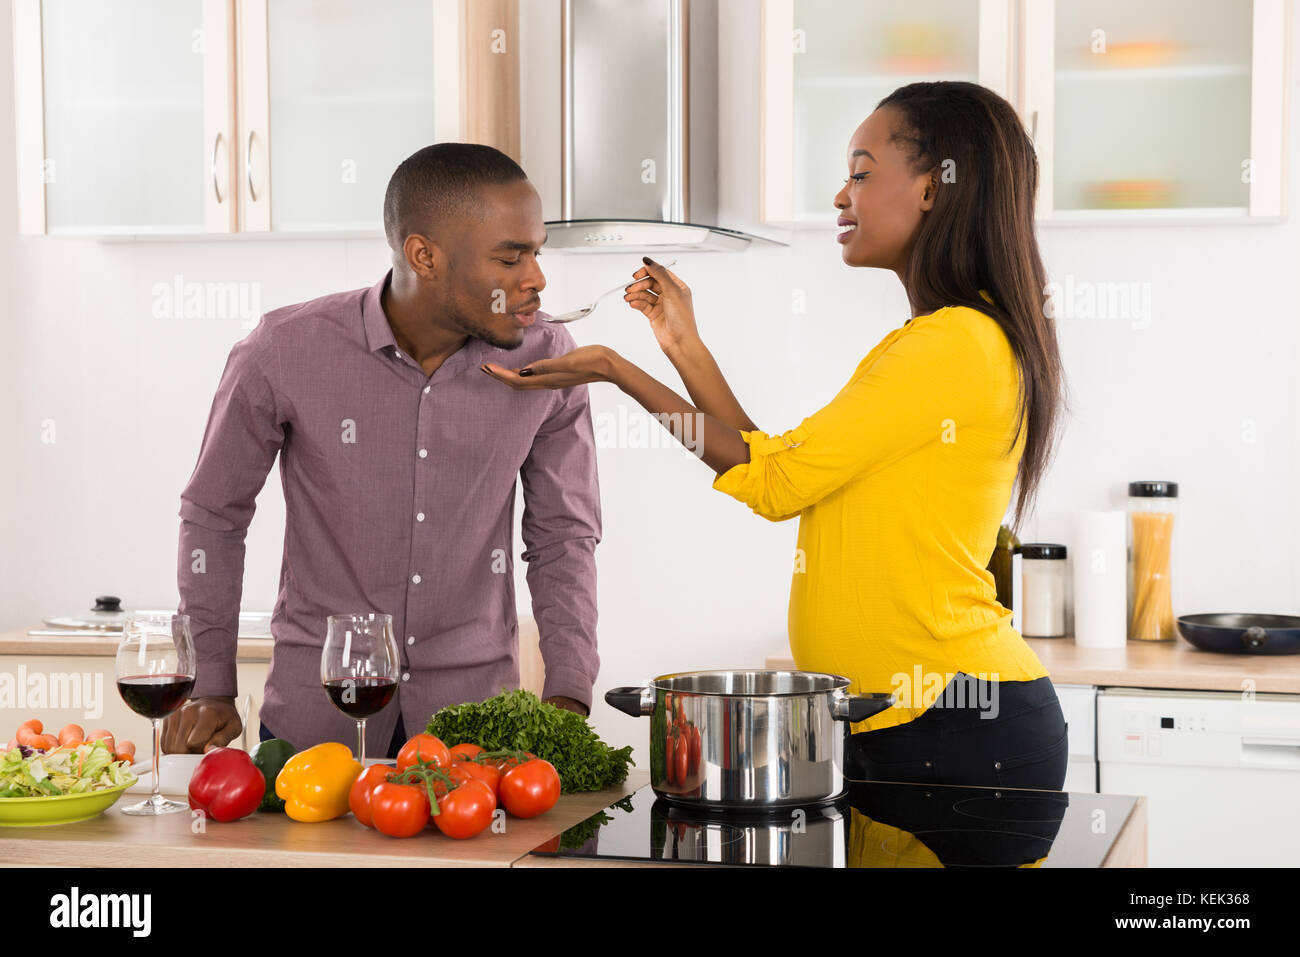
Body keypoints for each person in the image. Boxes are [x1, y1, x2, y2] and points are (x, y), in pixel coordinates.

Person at [482, 82, 1072, 790]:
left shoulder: (951, 345)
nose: (840, 196)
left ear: (932, 190)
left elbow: (775, 483)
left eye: (860, 173)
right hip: (921, 719)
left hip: (952, 725)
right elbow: (775, 462)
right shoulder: (949, 340)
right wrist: (681, 343)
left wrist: (614, 368)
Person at [163, 143, 601, 757]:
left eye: (537, 252)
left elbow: (564, 534)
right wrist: (211, 685)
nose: (536, 279)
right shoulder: (284, 350)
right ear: (425, 255)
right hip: (315, 726)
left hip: (473, 732)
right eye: (511, 257)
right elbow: (213, 514)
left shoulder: (549, 358)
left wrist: (569, 692)